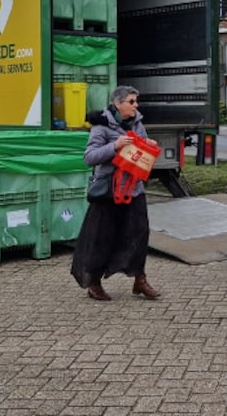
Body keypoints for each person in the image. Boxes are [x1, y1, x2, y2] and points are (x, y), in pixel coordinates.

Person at [71, 85, 161, 301]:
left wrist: (148, 144)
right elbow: (89, 157)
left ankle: (139, 280)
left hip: (133, 189)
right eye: (131, 101)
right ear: (118, 104)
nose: (135, 106)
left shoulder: (137, 122)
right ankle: (93, 283)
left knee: (139, 234)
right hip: (108, 193)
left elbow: (140, 151)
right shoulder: (101, 126)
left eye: (136, 101)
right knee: (100, 237)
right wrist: (115, 145)